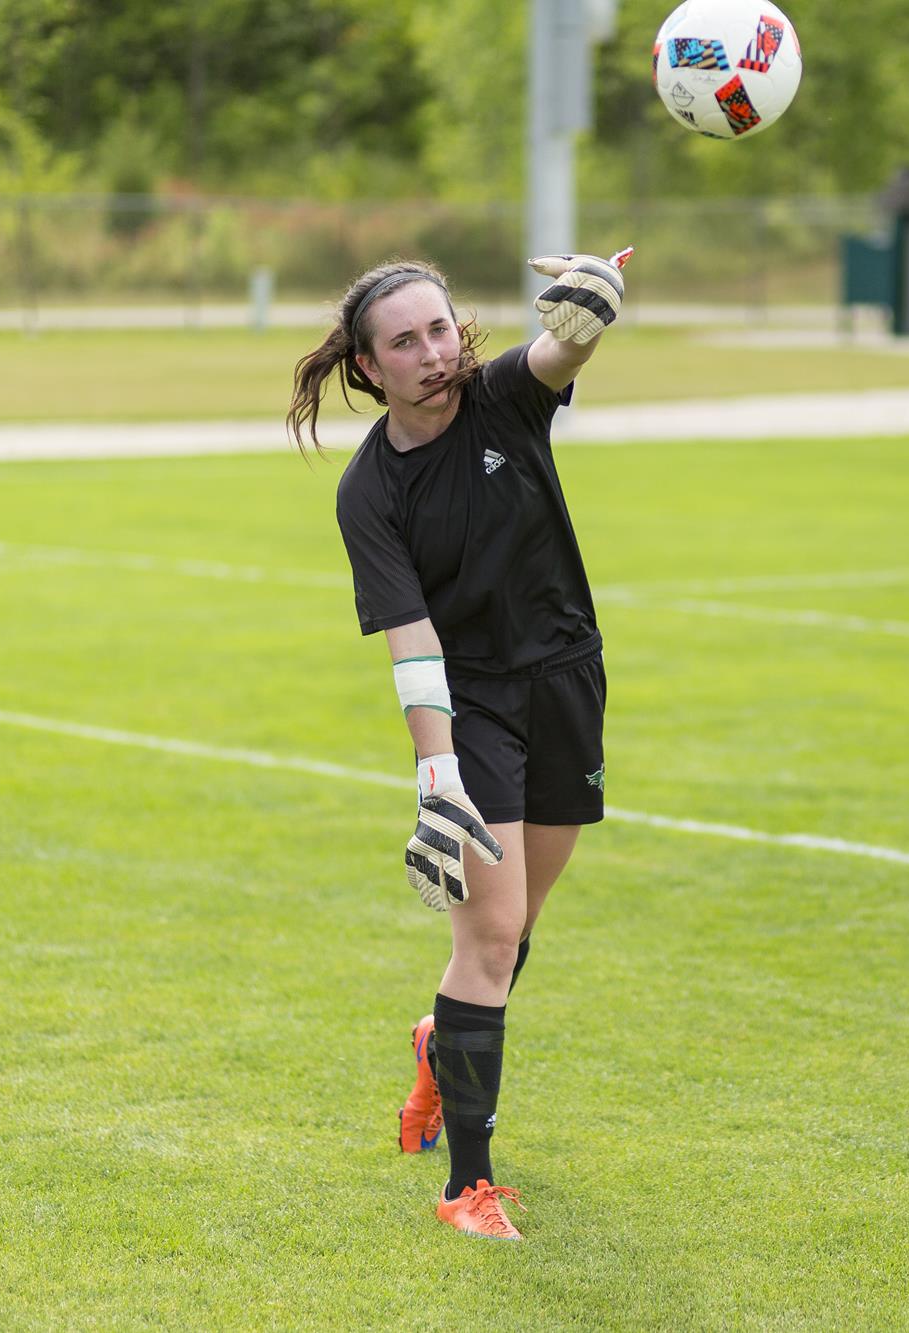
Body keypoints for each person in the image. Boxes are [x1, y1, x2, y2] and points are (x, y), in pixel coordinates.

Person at [286, 248, 629, 1241]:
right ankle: (465, 1188)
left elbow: (558, 356)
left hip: (567, 679)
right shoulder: (369, 492)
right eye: (404, 341)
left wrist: (589, 311)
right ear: (367, 366)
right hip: (470, 705)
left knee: (514, 928)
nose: (432, 352)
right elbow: (413, 639)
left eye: (439, 328)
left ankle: (444, 1040)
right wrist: (437, 771)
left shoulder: (502, 399)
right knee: (487, 936)